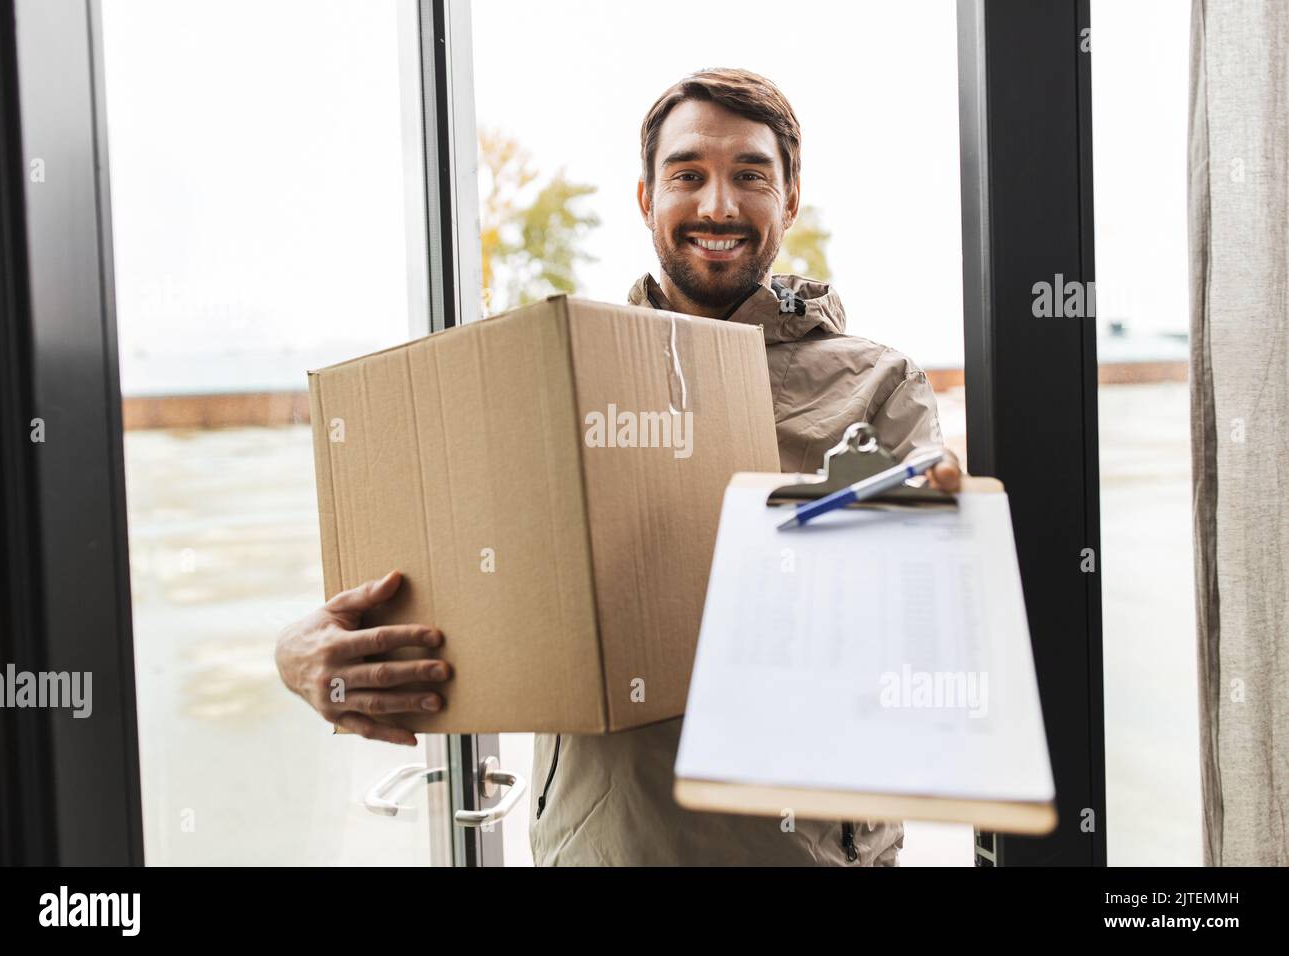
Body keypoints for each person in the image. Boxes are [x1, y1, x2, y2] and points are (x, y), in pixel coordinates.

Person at [277, 68, 962, 866]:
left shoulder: (877, 384)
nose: (717, 206)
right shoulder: (557, 377)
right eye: (687, 176)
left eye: (750, 175)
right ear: (645, 199)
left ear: (790, 199)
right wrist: (298, 657)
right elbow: (438, 566)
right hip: (604, 848)